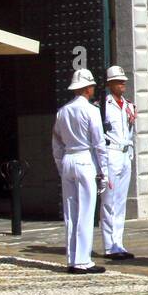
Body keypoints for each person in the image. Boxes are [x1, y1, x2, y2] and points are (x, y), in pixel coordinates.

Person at [51, 68, 106, 274]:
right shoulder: (91, 110)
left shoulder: (63, 111)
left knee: (70, 212)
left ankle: (72, 259)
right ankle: (83, 260)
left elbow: (56, 142)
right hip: (84, 159)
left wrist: (60, 165)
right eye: (91, 86)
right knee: (85, 211)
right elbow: (99, 143)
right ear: (87, 88)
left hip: (68, 159)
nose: (93, 89)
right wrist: (104, 171)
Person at [99, 66, 136, 260]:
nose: (122, 84)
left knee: (120, 202)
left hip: (125, 155)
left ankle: (118, 243)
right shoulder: (102, 106)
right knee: (109, 202)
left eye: (123, 81)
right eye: (118, 81)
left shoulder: (129, 106)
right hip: (111, 154)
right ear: (109, 84)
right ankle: (109, 245)